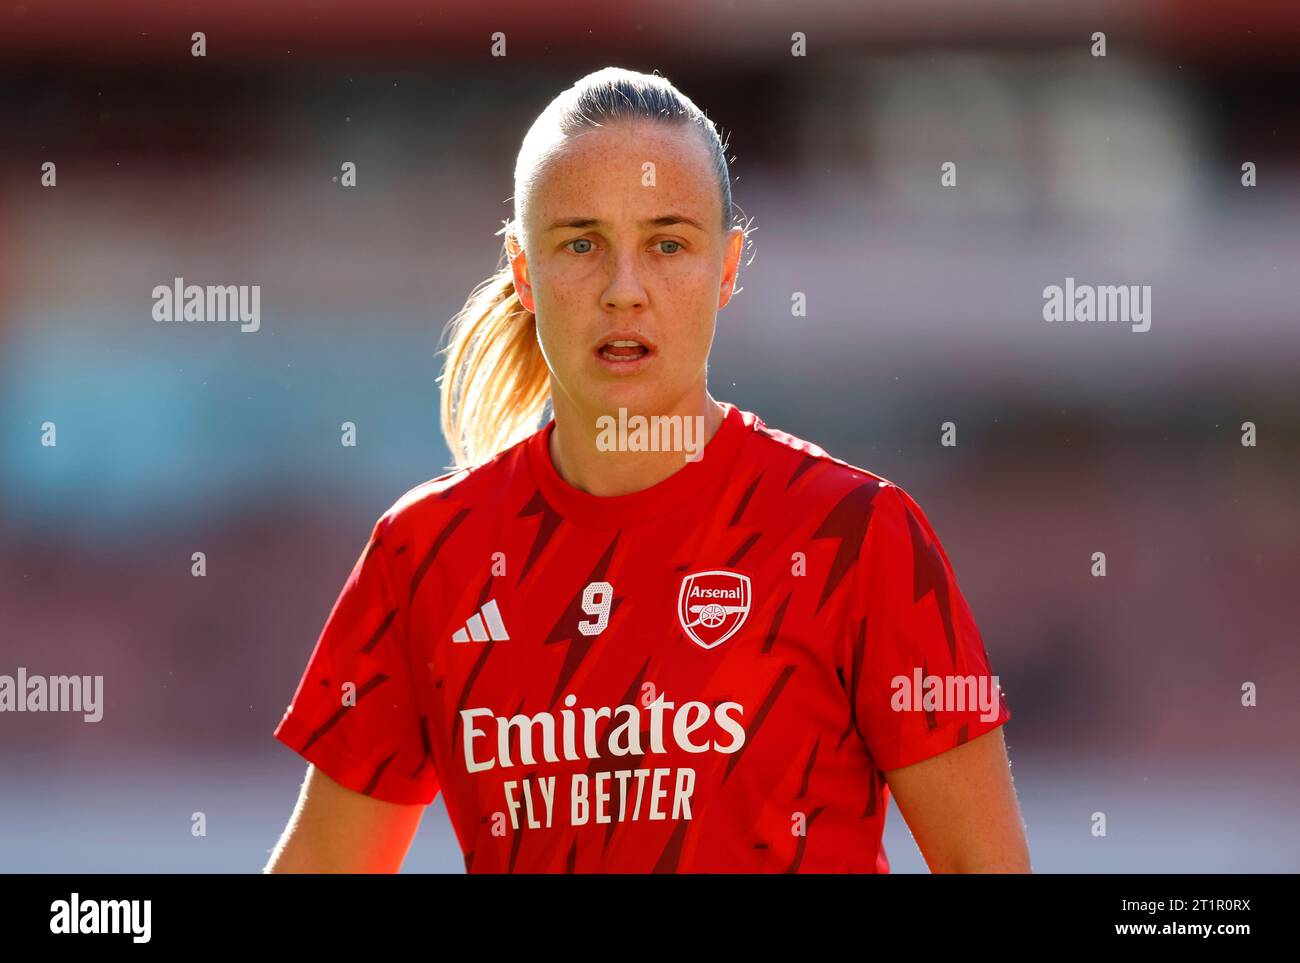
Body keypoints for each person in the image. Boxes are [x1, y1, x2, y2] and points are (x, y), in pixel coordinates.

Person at [266, 67, 1031, 873]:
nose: (623, 291)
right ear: (525, 272)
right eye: (581, 244)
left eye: (668, 243)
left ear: (728, 267)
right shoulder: (423, 554)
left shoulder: (857, 535)